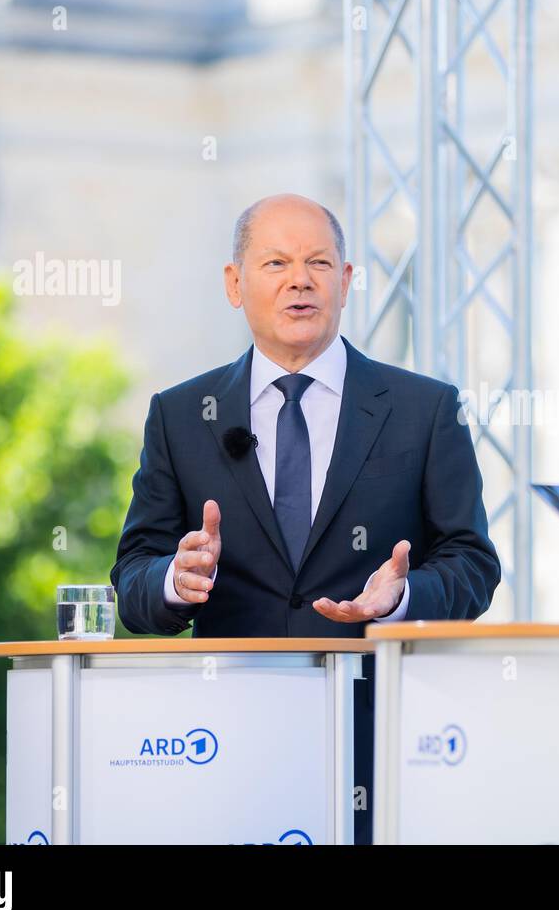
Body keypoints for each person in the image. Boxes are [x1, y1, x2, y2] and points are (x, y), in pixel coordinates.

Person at [110, 193, 501, 842]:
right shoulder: (182, 416)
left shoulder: (424, 411)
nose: (300, 279)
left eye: (320, 262)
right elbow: (132, 580)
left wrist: (402, 597)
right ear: (235, 285)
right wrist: (176, 581)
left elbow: (474, 564)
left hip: (380, 738)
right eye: (276, 263)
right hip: (227, 741)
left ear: (346, 283)